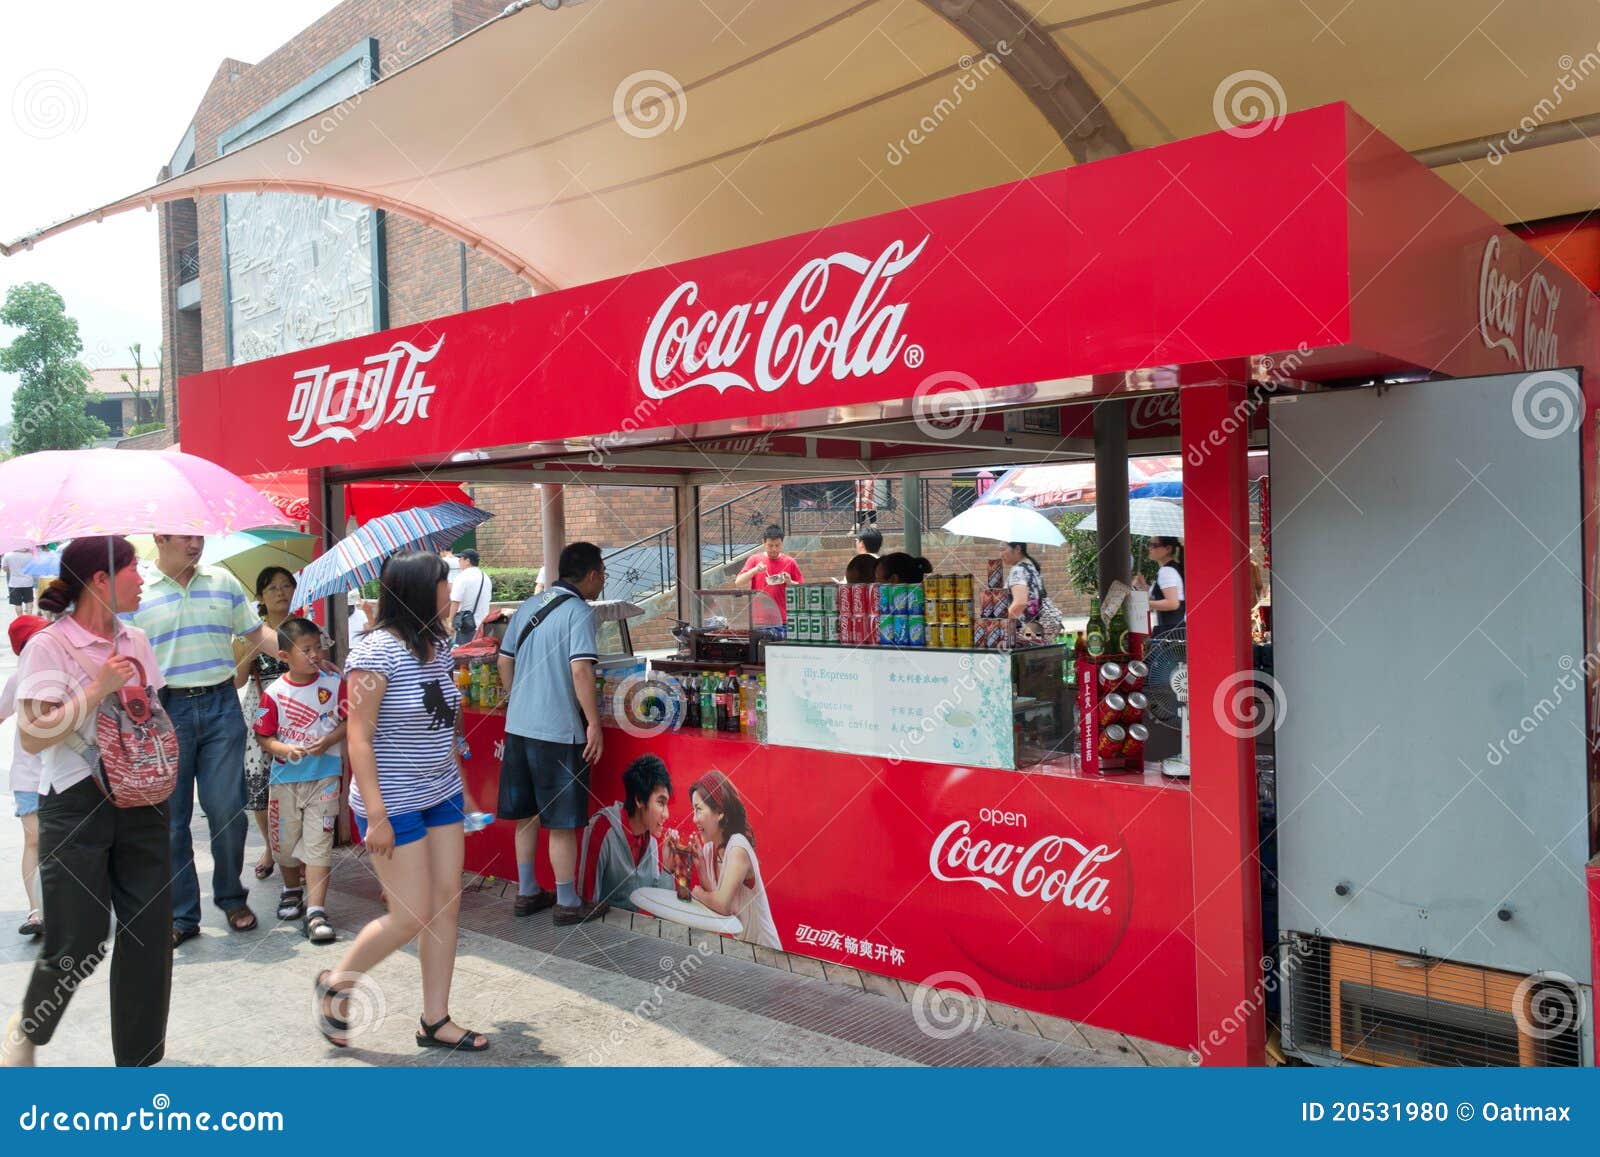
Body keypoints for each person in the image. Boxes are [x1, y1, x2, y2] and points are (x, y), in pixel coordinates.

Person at [0, 537, 171, 1068]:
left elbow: (151, 713)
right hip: (73, 804)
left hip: (142, 799)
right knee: (79, 938)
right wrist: (95, 689)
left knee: (149, 935)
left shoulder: (136, 639)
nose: (142, 578)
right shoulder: (48, 646)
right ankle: (25, 1033)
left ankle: (138, 1068)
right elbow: (32, 734)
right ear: (101, 579)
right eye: (133, 569)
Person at [315, 551, 486, 1052]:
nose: (448, 591)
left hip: (441, 794)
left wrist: (465, 788)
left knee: (445, 906)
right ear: (417, 590)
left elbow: (442, 730)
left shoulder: (439, 645)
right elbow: (359, 739)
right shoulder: (373, 654)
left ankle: (436, 1020)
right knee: (410, 913)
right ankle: (337, 983)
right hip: (392, 800)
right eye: (441, 582)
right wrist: (379, 816)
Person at [136, 534, 276, 946]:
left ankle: (232, 896)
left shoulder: (222, 581)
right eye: (185, 537)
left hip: (220, 705)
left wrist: (293, 649)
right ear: (161, 538)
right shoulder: (138, 590)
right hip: (165, 710)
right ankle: (182, 915)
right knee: (173, 822)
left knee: (227, 811)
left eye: (199, 537)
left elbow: (255, 632)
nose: (195, 544)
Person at [496, 542, 608, 925]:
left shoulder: (529, 606)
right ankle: (567, 902)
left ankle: (527, 893)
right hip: (559, 733)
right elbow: (581, 671)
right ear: (592, 575)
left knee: (525, 815)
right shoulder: (578, 612)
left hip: (518, 729)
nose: (602, 581)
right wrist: (593, 722)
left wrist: (519, 700)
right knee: (561, 820)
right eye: (603, 574)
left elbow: (503, 660)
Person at [253, 617, 347, 945]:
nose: (315, 654)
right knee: (283, 842)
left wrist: (331, 737)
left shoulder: (335, 685)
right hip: (284, 780)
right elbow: (263, 736)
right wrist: (284, 749)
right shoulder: (274, 693)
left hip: (325, 777)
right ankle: (292, 888)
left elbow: (351, 720)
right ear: (284, 657)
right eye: (305, 650)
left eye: (318, 647)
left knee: (319, 843)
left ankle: (317, 910)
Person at [235, 566, 296, 883]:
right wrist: (251, 650)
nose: (281, 592)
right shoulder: (248, 632)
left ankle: (296, 848)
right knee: (258, 782)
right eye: (272, 587)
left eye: (287, 585)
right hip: (260, 711)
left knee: (298, 782)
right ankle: (272, 848)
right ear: (260, 595)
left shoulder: (306, 629)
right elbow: (236, 680)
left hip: (299, 711)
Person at [690, 770, 781, 951]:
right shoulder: (710, 850)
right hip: (744, 950)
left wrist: (697, 893)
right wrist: (701, 868)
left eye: (699, 809)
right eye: (693, 810)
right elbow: (718, 905)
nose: (694, 819)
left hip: (766, 953)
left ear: (720, 812)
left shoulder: (738, 846)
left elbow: (722, 904)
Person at [577, 753, 674, 912]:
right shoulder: (600, 829)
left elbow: (662, 911)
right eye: (660, 802)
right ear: (639, 800)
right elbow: (585, 903)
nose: (666, 814)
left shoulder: (652, 842)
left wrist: (668, 869)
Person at [1, 614, 47, 939]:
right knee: (34, 839)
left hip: (69, 777)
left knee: (71, 843)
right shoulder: (18, 679)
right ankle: (37, 912)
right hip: (29, 777)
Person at [734, 525, 802, 623]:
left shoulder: (790, 562)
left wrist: (790, 582)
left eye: (777, 545)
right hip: (759, 620)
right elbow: (738, 582)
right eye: (770, 545)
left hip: (783, 619)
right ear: (764, 543)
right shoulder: (754, 559)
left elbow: (802, 589)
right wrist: (755, 570)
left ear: (782, 543)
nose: (774, 549)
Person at [1135, 536, 1185, 637]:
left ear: (1168, 549)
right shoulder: (1172, 568)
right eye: (1149, 545)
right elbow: (1164, 596)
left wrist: (1142, 604)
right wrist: (1144, 587)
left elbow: (1172, 603)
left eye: (1154, 545)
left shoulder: (1166, 571)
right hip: (1176, 631)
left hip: (1171, 633)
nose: (1150, 548)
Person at [1001, 542, 1048, 639]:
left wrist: (1000, 624)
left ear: (1017, 549)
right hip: (1034, 631)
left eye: (1003, 549)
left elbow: (1020, 603)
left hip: (1021, 634)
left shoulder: (1018, 570)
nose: (1000, 554)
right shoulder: (1031, 567)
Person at [448, 549, 493, 645]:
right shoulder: (485, 577)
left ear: (467, 561)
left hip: (467, 627)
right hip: (483, 625)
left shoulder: (462, 577)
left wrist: (449, 622)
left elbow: (455, 601)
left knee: (463, 656)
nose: (459, 561)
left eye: (460, 559)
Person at [3, 547, 36, 615]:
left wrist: (13, 570)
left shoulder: (8, 555)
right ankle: (29, 618)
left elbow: (5, 569)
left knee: (17, 604)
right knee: (29, 602)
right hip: (28, 582)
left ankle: (20, 619)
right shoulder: (30, 554)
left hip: (14, 583)